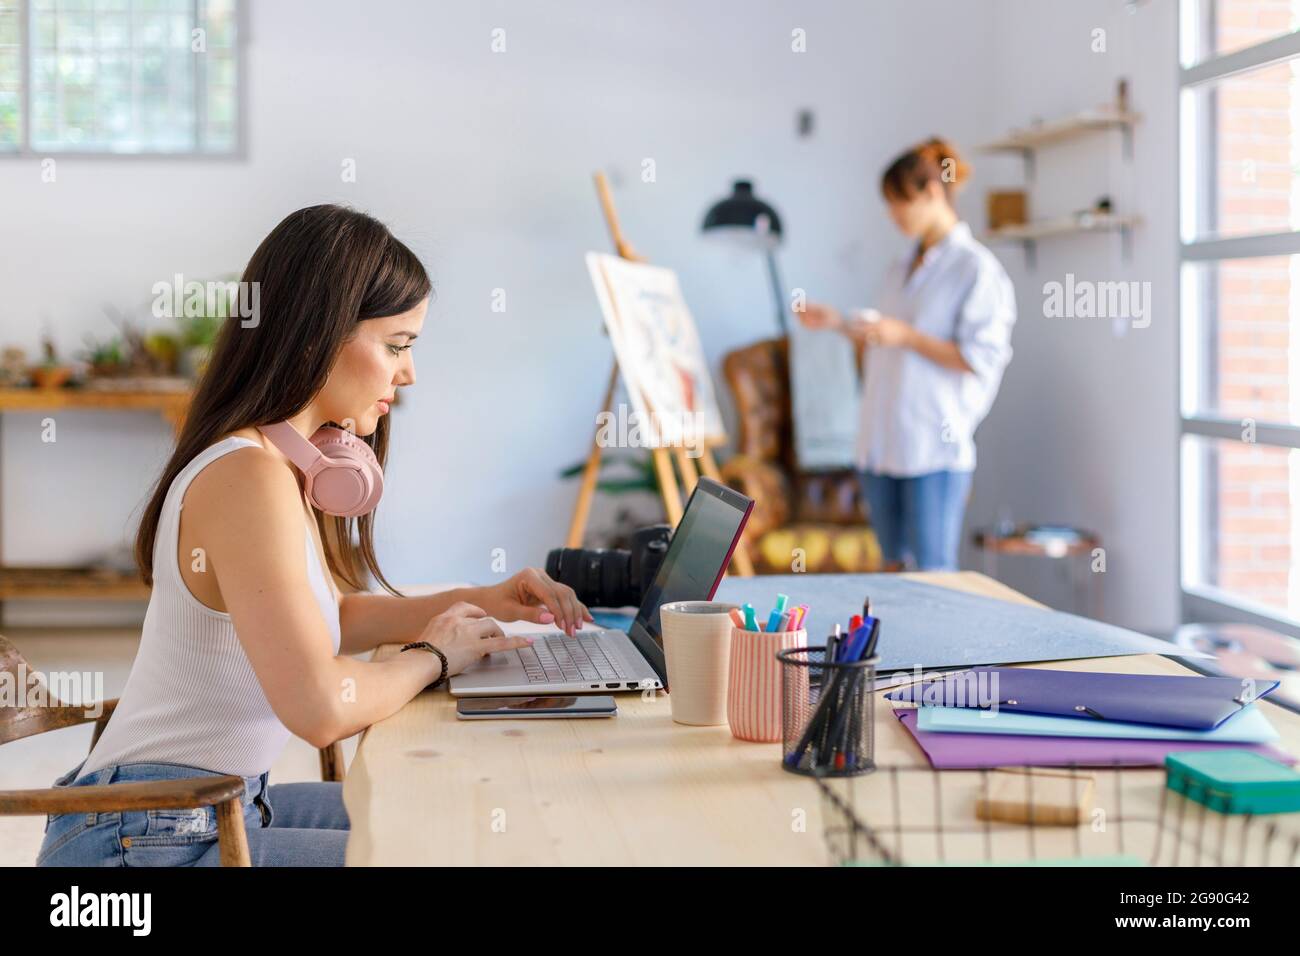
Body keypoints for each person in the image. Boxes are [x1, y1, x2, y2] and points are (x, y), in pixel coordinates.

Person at [37, 204, 592, 866]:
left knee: (458, 817)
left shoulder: (275, 462)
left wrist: (485, 601)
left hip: (212, 807)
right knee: (444, 850)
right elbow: (321, 707)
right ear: (315, 334)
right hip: (140, 838)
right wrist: (436, 657)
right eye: (396, 345)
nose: (408, 373)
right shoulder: (246, 475)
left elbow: (332, 617)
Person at [799, 137, 1016, 571]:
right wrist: (839, 323)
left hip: (933, 444)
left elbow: (979, 357)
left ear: (932, 193)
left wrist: (906, 336)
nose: (892, 215)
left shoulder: (975, 269)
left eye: (899, 202)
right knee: (891, 572)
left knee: (934, 575)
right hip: (881, 441)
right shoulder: (900, 267)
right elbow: (888, 343)